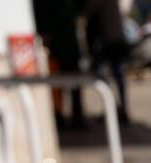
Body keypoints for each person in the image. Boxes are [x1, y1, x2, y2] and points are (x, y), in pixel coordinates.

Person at [33, 0, 86, 129]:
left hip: (62, 44)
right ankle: (62, 116)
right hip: (57, 45)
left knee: (69, 83)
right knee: (60, 84)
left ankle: (71, 116)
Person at [85, 0, 132, 125]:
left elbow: (92, 24)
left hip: (107, 43)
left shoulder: (96, 4)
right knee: (117, 77)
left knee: (105, 78)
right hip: (116, 41)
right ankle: (120, 109)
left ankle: (115, 109)